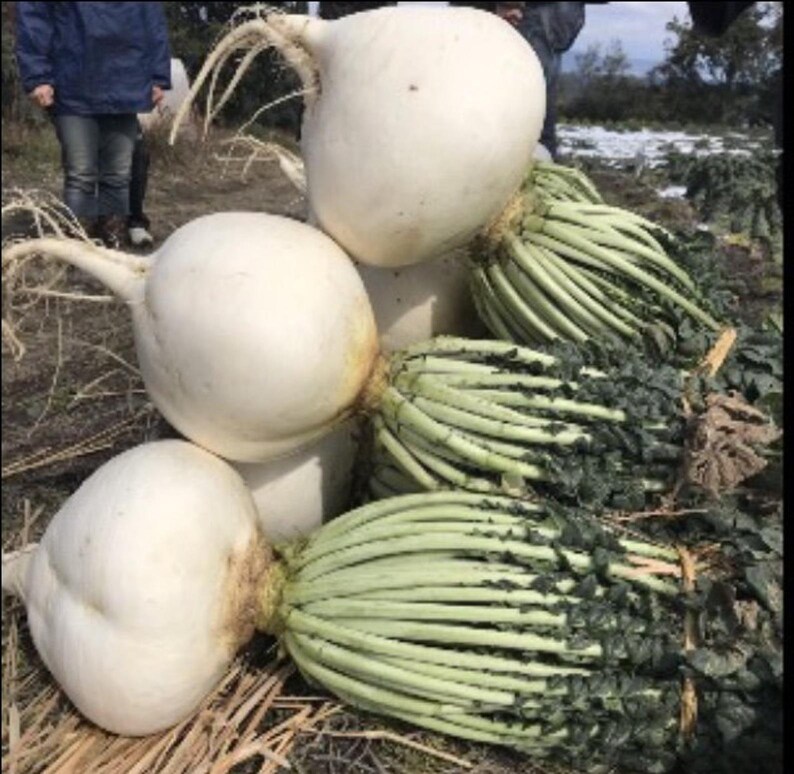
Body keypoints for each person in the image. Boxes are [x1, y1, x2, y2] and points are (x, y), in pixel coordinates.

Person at [16, 2, 171, 248]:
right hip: (73, 82)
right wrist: (37, 77)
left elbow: (153, 22)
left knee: (118, 175)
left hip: (125, 81)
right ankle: (78, 246)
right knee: (81, 174)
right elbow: (35, 18)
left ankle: (113, 243)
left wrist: (158, 76)